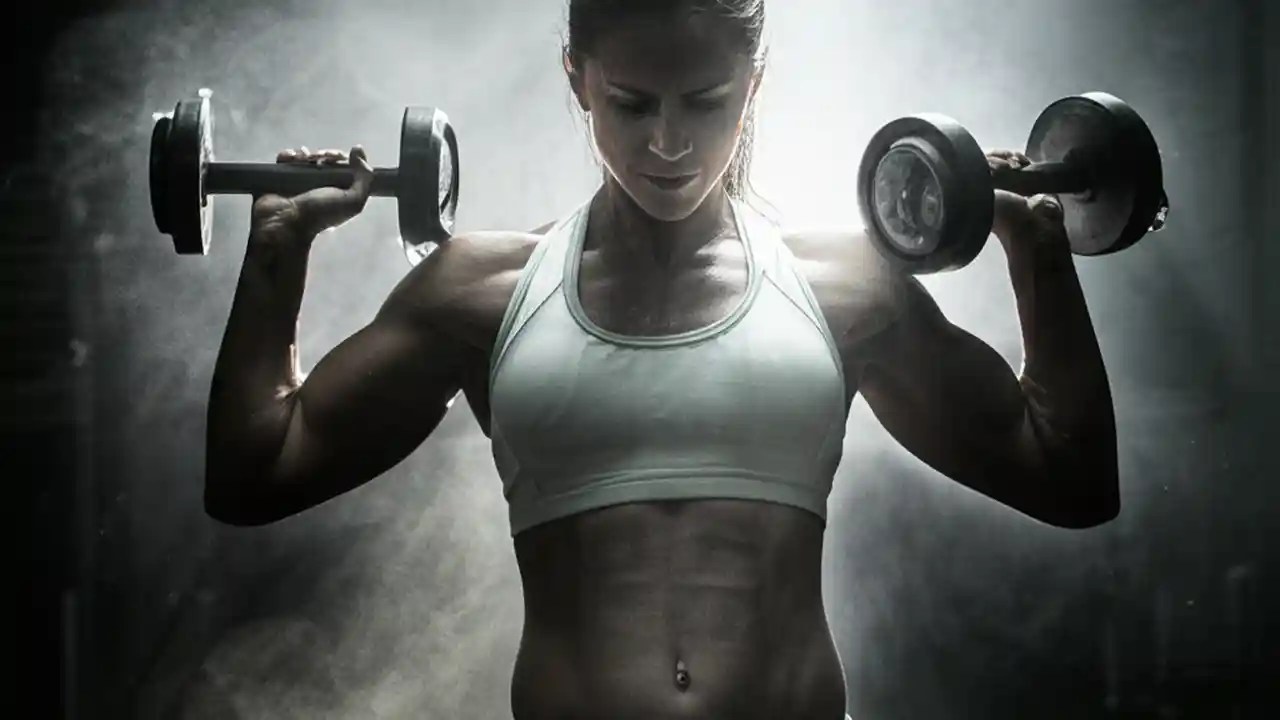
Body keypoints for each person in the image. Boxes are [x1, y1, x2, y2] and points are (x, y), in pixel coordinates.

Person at [203, 1, 1119, 717]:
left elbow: (1067, 476)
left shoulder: (846, 290)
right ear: (577, 77)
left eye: (706, 101)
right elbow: (258, 472)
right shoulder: (479, 293)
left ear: (754, 83)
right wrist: (279, 249)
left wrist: (1038, 250)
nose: (669, 143)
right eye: (632, 104)